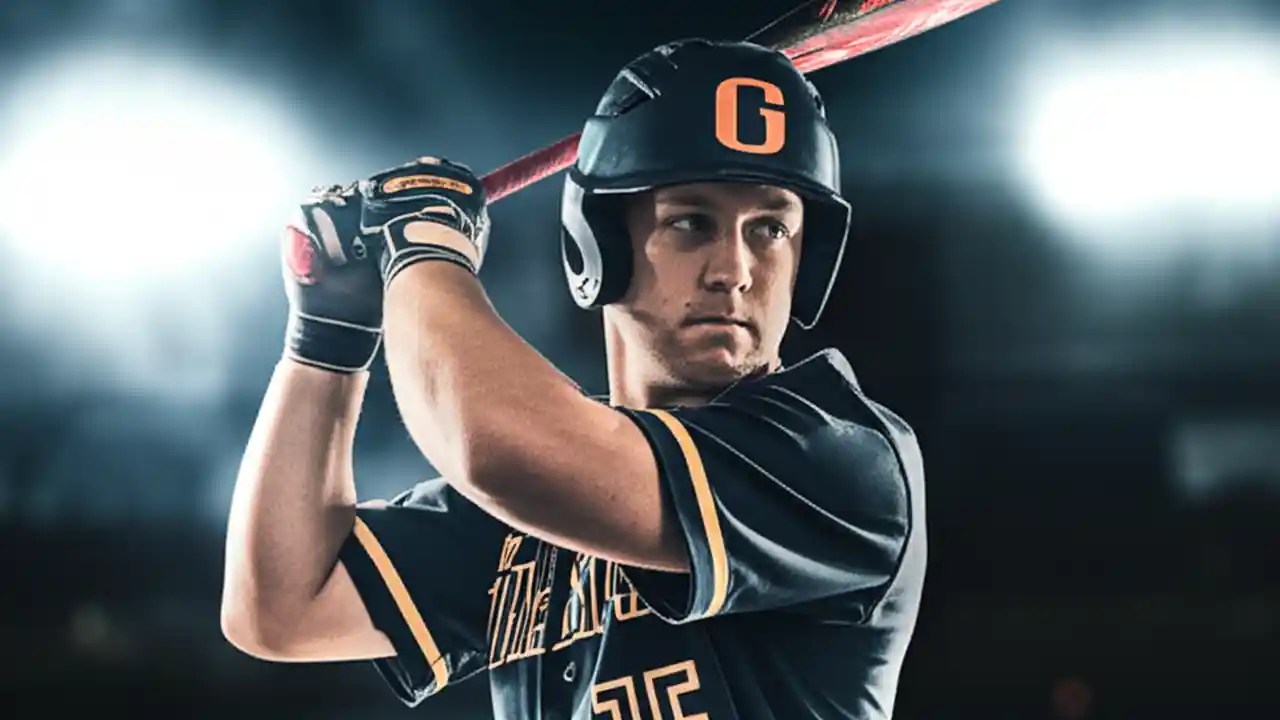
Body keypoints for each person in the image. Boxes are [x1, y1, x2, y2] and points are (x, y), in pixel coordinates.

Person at [221, 38, 927, 720]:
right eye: (690, 223)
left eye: (770, 230)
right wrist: (327, 341)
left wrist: (423, 248)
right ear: (602, 246)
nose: (734, 271)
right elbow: (280, 606)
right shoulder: (543, 490)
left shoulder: (842, 461)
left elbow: (494, 447)